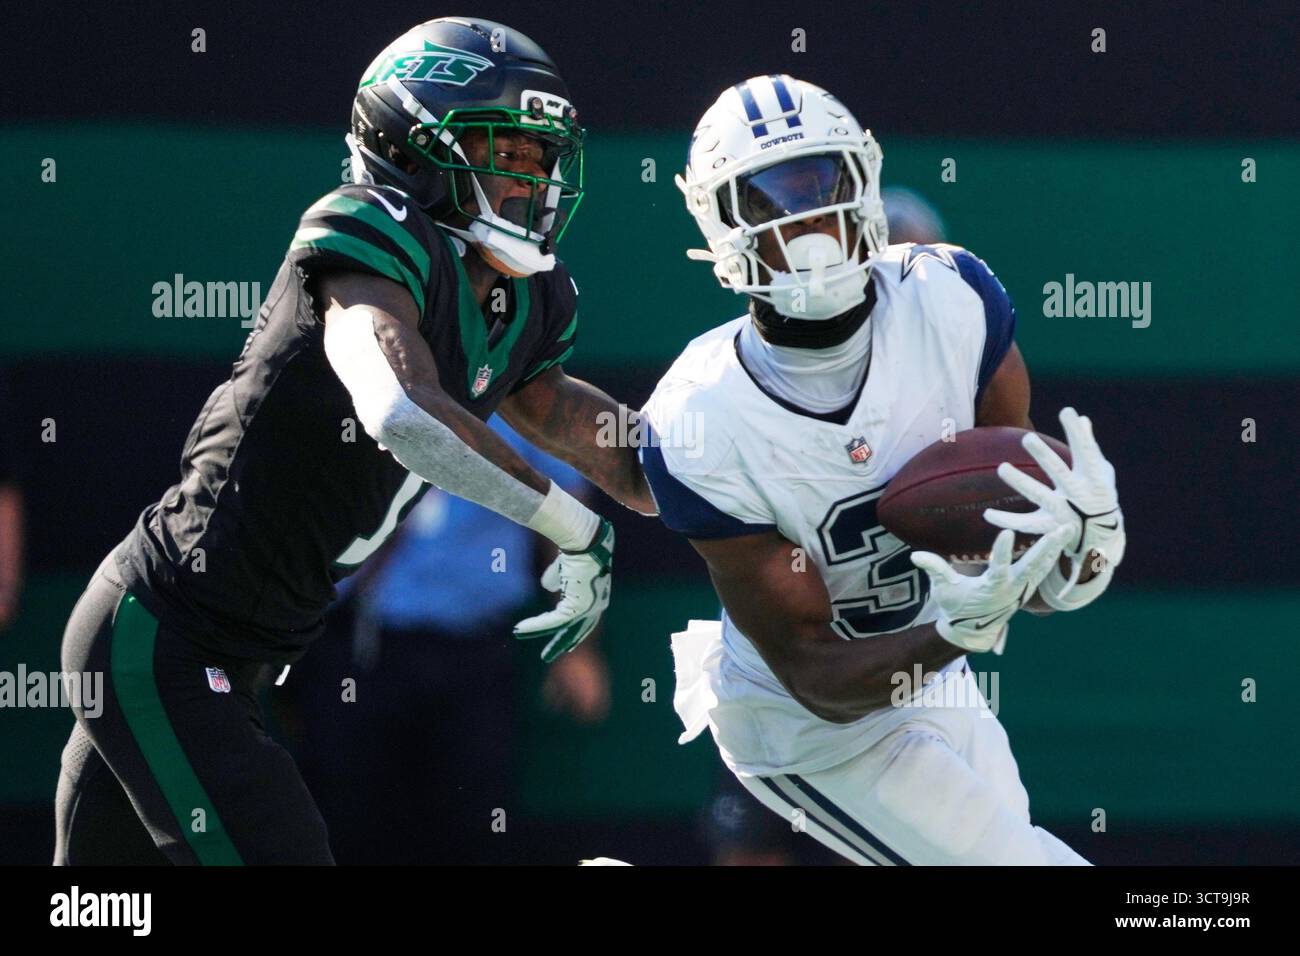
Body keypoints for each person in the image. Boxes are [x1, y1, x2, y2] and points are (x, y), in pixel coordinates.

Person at [54, 17, 653, 865]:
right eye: (504, 152)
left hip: (241, 658)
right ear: (411, 148)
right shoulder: (371, 235)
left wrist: (741, 480)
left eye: (541, 158)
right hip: (167, 637)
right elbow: (400, 410)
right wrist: (574, 530)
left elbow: (579, 428)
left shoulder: (523, 302)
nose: (530, 182)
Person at [644, 76, 1126, 865]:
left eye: (819, 187)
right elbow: (812, 673)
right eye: (768, 202)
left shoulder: (951, 298)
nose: (808, 228)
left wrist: (1088, 549)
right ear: (721, 225)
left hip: (931, 671)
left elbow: (1030, 557)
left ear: (864, 183)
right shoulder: (704, 414)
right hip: (811, 733)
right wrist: (959, 628)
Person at [287, 417, 610, 864]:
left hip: (476, 652)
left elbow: (572, 528)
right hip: (360, 650)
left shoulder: (516, 404)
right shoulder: (354, 391)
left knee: (475, 825)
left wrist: (579, 645)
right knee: (348, 823)